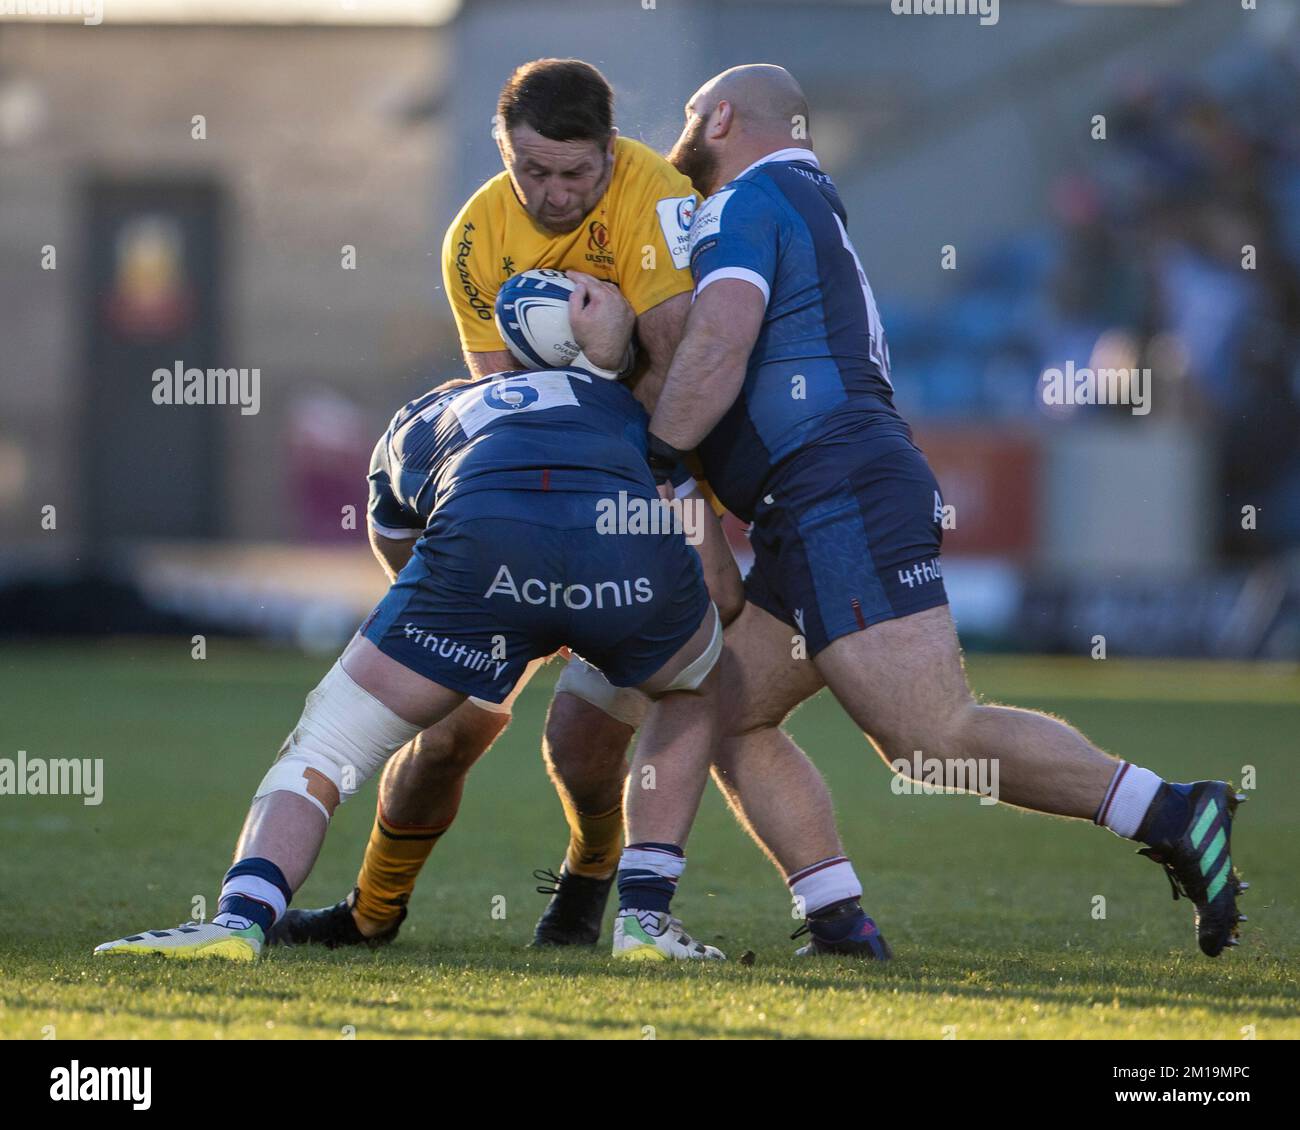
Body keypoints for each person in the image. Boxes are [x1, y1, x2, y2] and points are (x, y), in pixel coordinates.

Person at [281, 58, 886, 959]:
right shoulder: (473, 239)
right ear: (503, 152)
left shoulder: (657, 193)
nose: (557, 194)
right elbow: (502, 409)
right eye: (534, 172)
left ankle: (594, 886)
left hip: (653, 501)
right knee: (447, 738)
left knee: (581, 738)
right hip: (535, 505)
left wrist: (699, 527)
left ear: (612, 151)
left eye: (577, 173)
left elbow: (684, 377)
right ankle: (373, 912)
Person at [644, 64, 1248, 958]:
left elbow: (722, 337)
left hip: (834, 491)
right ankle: (840, 922)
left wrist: (655, 454)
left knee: (931, 735)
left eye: (693, 116)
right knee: (723, 714)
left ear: (722, 116)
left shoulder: (746, 201)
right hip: (816, 499)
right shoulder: (802, 198)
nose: (683, 133)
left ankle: (1171, 810)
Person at [94, 279, 726, 963]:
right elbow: (720, 586)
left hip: (477, 558)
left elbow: (401, 545)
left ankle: (240, 918)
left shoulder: (437, 407)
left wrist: (480, 621)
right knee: (693, 687)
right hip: (621, 554)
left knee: (321, 751)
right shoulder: (640, 415)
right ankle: (646, 920)